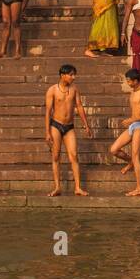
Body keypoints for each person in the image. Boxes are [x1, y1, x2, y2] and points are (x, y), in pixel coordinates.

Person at [44, 63, 92, 196]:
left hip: (69, 126)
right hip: (56, 125)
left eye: (74, 74)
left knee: (74, 155)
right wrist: (47, 131)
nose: (73, 77)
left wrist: (86, 125)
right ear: (62, 75)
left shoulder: (75, 89)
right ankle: (57, 187)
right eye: (71, 75)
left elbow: (80, 107)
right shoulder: (52, 90)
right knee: (56, 155)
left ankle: (77, 188)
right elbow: (48, 111)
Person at [109, 67, 140, 196]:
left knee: (136, 155)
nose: (127, 83)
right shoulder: (133, 92)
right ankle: (130, 162)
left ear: (135, 80)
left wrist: (132, 119)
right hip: (133, 125)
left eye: (129, 81)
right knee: (114, 149)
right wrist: (131, 121)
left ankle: (139, 188)